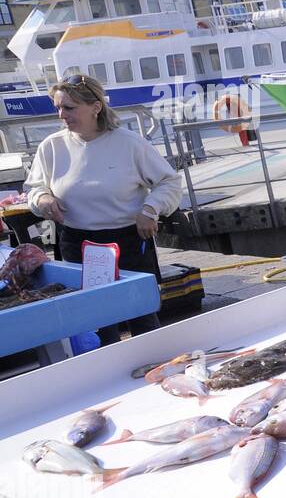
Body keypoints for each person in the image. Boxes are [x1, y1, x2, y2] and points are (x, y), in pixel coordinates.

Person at [24, 73, 182, 343]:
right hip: (77, 242)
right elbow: (34, 187)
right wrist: (43, 200)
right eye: (58, 108)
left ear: (96, 107)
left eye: (69, 108)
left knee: (141, 316)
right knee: (95, 322)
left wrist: (150, 210)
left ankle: (155, 371)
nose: (62, 115)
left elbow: (169, 182)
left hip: (128, 240)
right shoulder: (51, 146)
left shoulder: (130, 143)